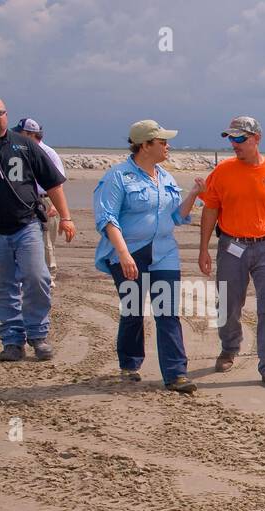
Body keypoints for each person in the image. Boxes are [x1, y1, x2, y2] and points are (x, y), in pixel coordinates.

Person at [93, 120, 204, 393]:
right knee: (132, 310)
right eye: (162, 142)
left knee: (167, 312)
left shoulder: (166, 177)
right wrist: (124, 255)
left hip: (164, 252)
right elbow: (107, 219)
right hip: (129, 253)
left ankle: (176, 374)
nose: (168, 146)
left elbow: (177, 216)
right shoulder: (117, 177)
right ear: (145, 146)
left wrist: (193, 193)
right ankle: (130, 364)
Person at [0, 93, 75, 361]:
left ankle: (38, 334)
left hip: (26, 224)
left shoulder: (25, 146)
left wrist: (66, 217)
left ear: (6, 115)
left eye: (0, 112)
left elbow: (53, 183)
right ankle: (13, 340)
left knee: (38, 277)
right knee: (0, 285)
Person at [198, 116, 265, 389]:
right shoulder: (222, 171)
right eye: (231, 139)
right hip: (231, 245)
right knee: (228, 304)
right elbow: (209, 210)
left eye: (240, 138)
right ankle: (229, 348)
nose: (234, 144)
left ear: (257, 139)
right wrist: (203, 249)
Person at [13, 117, 64, 278]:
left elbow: (58, 182)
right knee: (24, 237)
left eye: (20, 133)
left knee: (47, 240)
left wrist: (56, 206)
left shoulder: (48, 153)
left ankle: (49, 275)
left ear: (30, 134)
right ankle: (26, 274)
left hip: (46, 199)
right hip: (26, 199)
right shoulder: (19, 151)